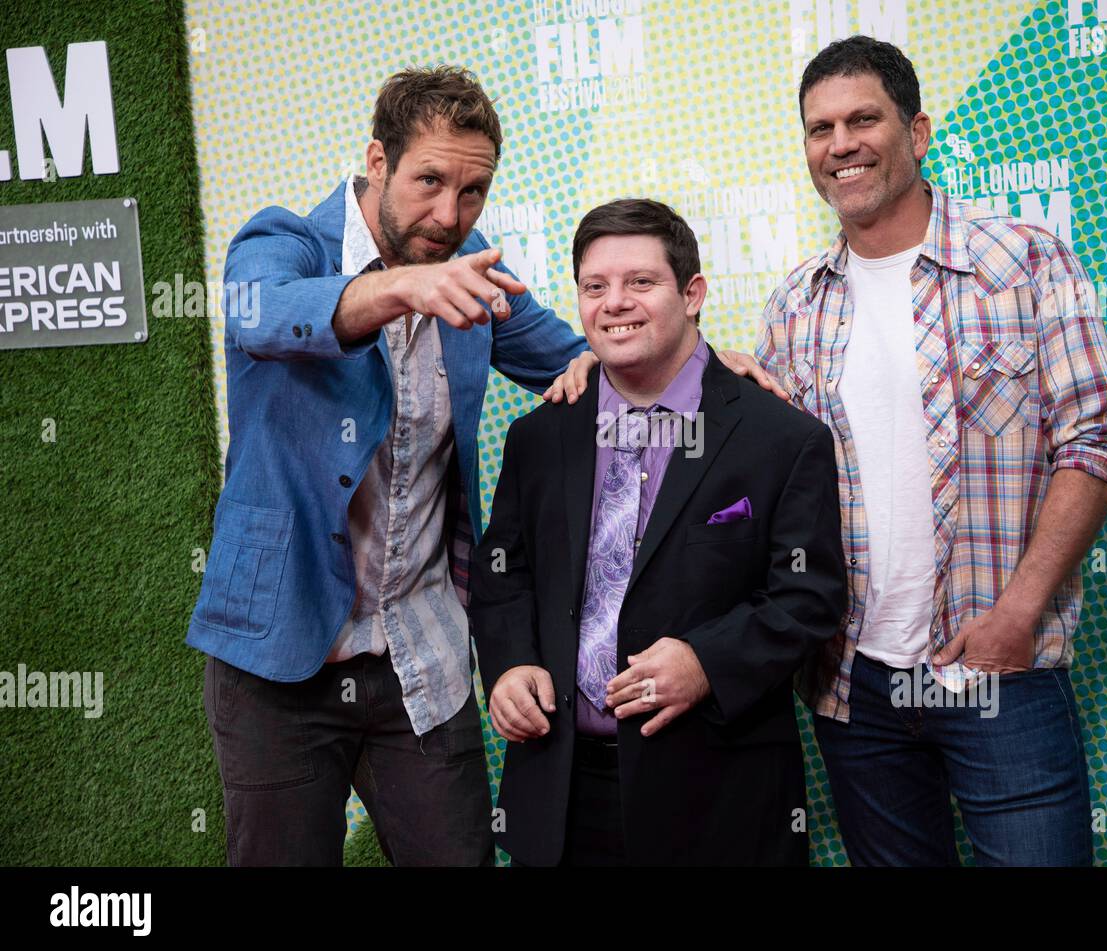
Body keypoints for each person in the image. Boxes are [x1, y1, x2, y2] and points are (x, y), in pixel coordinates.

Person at [188, 65, 598, 866]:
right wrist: (406, 287)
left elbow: (576, 357)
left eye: (473, 191)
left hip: (424, 657)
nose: (449, 215)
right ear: (376, 162)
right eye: (430, 181)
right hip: (280, 657)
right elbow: (261, 315)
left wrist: (706, 373)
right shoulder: (282, 243)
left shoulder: (468, 265)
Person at [758, 36, 1107, 865]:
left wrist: (1016, 614)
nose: (841, 144)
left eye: (864, 119)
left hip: (998, 668)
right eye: (820, 128)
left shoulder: (1024, 261)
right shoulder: (796, 305)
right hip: (855, 688)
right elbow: (775, 480)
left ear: (918, 131)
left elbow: (1096, 439)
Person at [470, 198, 847, 865]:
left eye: (641, 282)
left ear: (693, 293)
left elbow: (809, 597)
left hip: (718, 799)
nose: (615, 303)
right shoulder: (540, 436)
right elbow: (506, 574)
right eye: (595, 286)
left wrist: (708, 662)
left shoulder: (780, 437)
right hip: (561, 793)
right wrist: (510, 665)